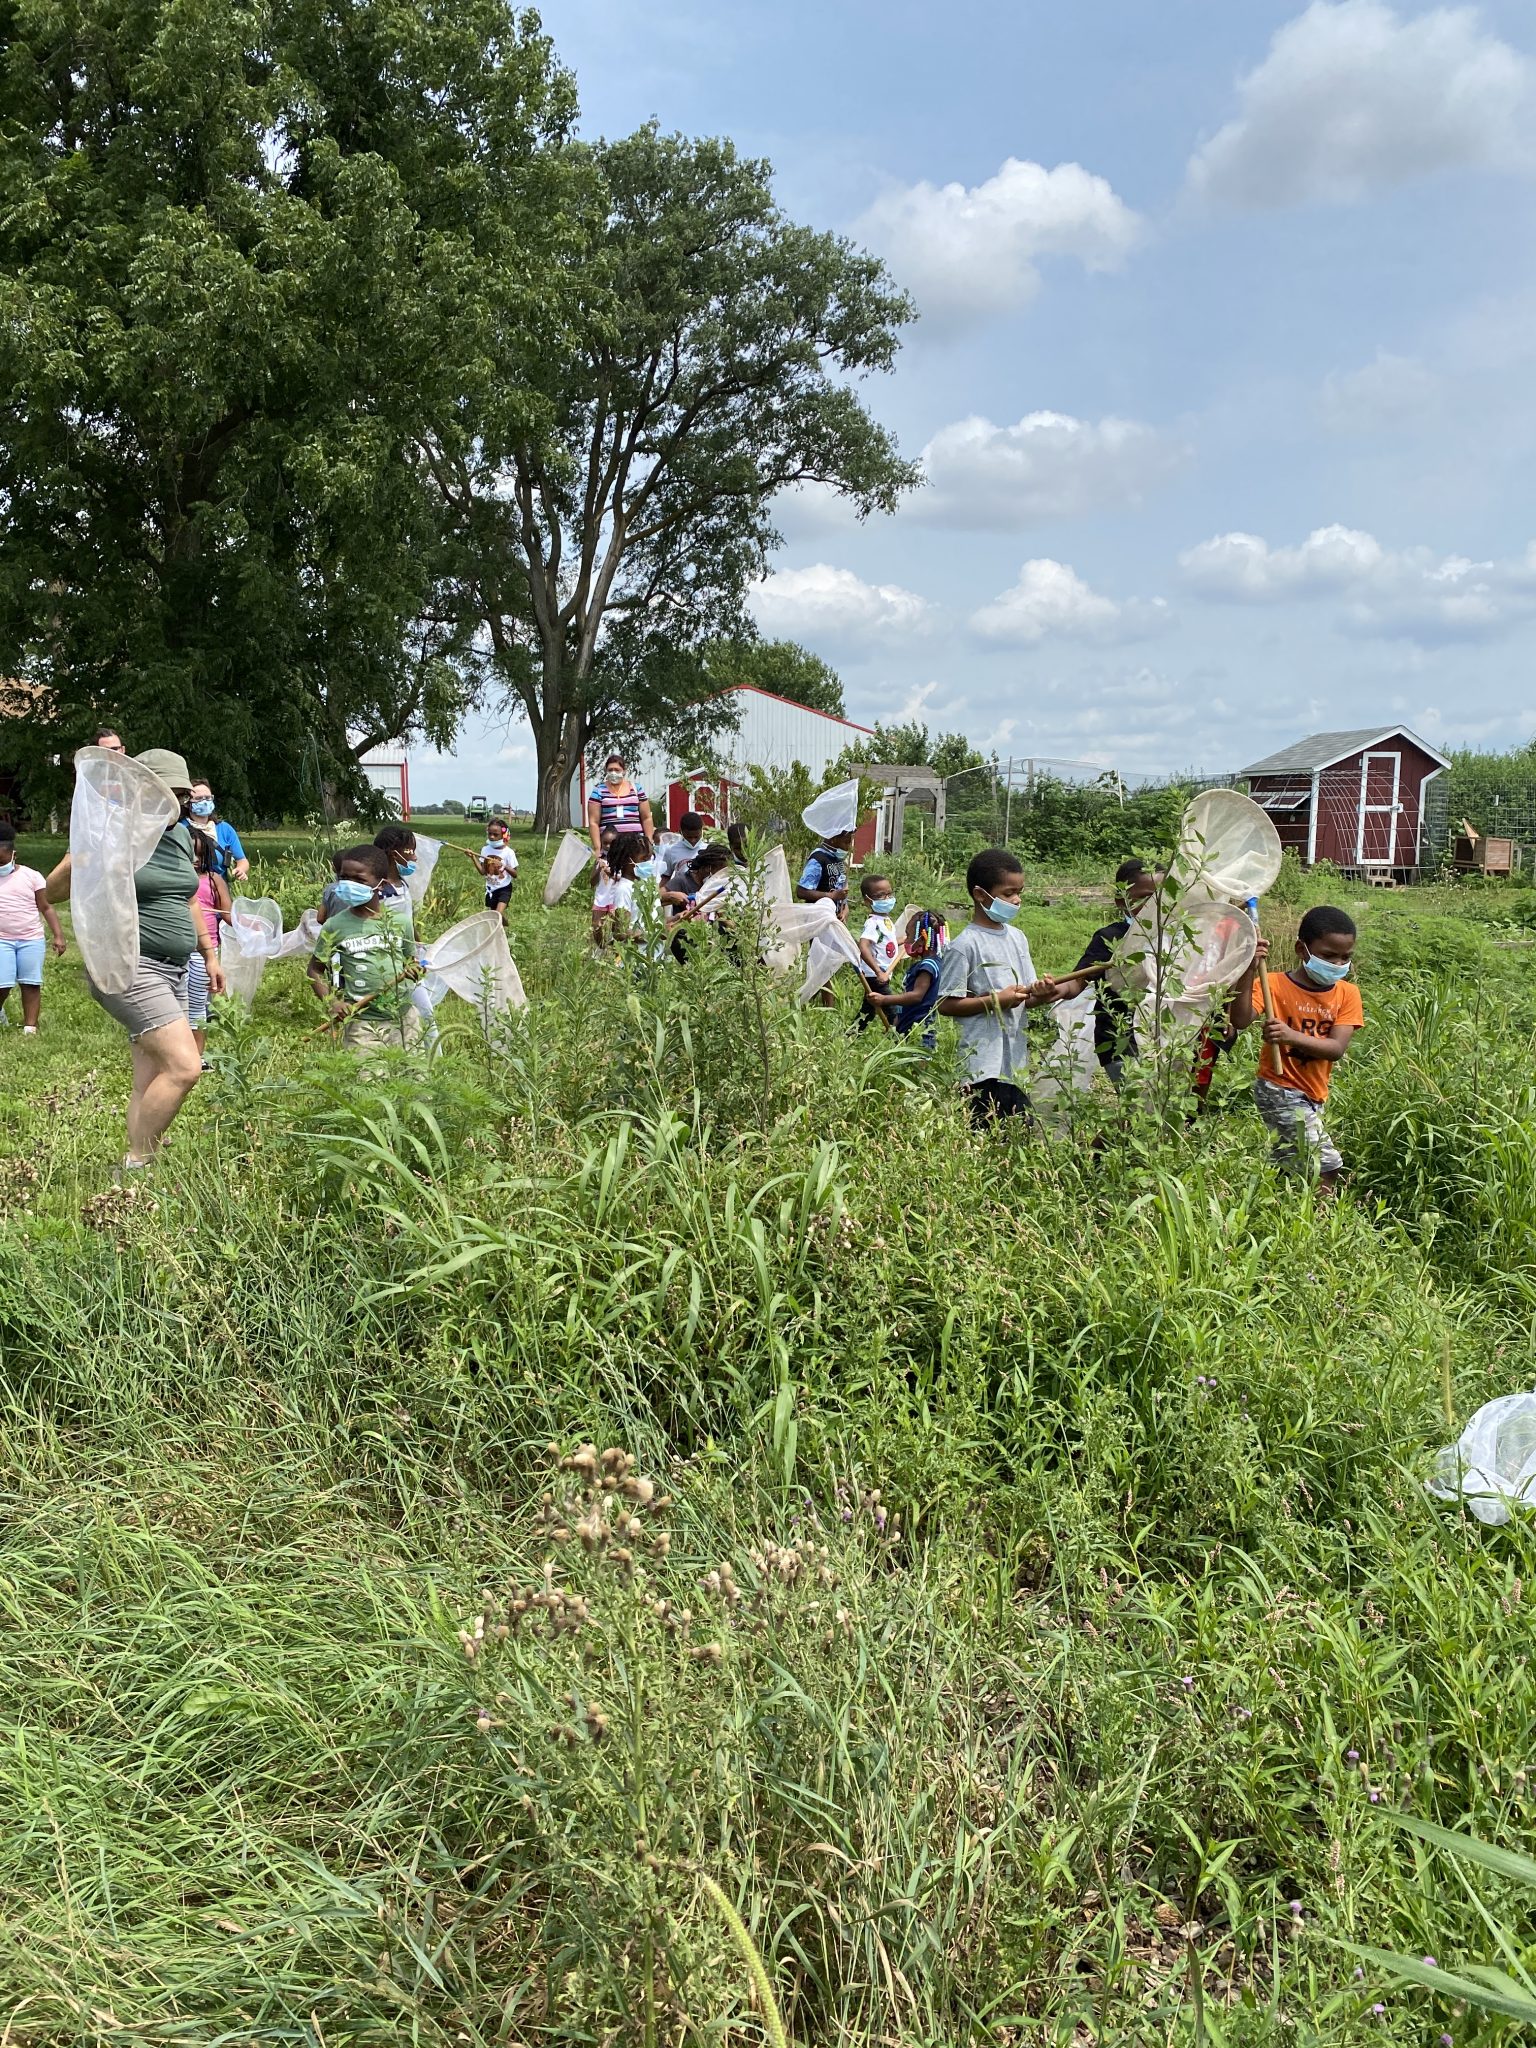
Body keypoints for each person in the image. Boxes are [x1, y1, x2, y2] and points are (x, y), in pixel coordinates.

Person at [45, 747, 225, 1170]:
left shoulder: (180, 834)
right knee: (185, 1066)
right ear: (142, 790)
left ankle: (140, 1165)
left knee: (149, 1077)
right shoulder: (111, 828)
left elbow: (188, 899)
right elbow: (51, 893)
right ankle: (138, 1160)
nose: (179, 804)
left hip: (178, 967)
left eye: (183, 795)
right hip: (131, 964)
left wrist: (210, 955)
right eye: (170, 794)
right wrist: (86, 857)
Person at [1229, 905, 1362, 1193]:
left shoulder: (1347, 994)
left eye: (1345, 957)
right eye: (1328, 955)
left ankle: (1277, 1205)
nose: (1338, 963)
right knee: (1326, 1165)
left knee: (1291, 1162)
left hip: (1314, 1093)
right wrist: (1248, 970)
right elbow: (1239, 1019)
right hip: (1279, 1088)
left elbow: (1336, 1048)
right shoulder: (1273, 984)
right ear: (1302, 950)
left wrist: (1290, 1036)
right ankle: (1321, 1222)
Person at [936, 848, 1058, 1125]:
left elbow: (1025, 996)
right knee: (982, 1133)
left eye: (1019, 893)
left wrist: (1041, 992)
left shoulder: (1017, 938)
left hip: (1013, 1061)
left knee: (1019, 1132)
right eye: (1007, 894)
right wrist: (995, 1000)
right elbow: (946, 1004)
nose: (1016, 900)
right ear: (980, 895)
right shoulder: (965, 945)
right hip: (980, 1065)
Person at [1054, 858, 1161, 1086]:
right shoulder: (1110, 938)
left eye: (1160, 896)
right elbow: (1076, 982)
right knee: (1139, 1107)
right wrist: (1051, 989)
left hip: (1164, 1039)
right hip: (1120, 1040)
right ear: (1121, 901)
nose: (1154, 905)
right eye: (1144, 897)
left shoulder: (1174, 938)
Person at [306, 845, 422, 1052]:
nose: (350, 885)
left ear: (381, 884)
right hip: (362, 1023)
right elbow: (314, 970)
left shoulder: (401, 922)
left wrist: (415, 969)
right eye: (344, 878)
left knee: (413, 1078)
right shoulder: (335, 925)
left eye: (359, 880)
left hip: (405, 1019)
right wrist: (333, 1002)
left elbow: (410, 960)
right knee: (368, 1081)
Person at [0, 823, 67, 1033]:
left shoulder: (31, 876)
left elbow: (46, 907)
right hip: (1, 940)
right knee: (2, 982)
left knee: (31, 983)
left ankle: (30, 1026)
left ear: (13, 855)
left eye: (2, 861)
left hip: (31, 939)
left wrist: (58, 935)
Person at [866, 911, 946, 1049]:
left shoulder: (928, 966)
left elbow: (916, 996)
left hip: (919, 1029)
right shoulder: (931, 963)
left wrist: (884, 1000)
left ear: (921, 939)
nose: (906, 941)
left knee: (918, 1064)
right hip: (908, 1024)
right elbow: (905, 1001)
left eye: (909, 936)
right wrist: (895, 1026)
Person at [185, 827, 231, 1062]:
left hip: (203, 953)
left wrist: (250, 924)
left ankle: (197, 1057)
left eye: (198, 855)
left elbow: (228, 914)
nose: (193, 861)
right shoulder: (175, 879)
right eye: (187, 854)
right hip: (177, 951)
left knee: (197, 1006)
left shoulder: (214, 880)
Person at [587, 754, 654, 859]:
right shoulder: (598, 790)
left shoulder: (637, 788)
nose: (613, 773)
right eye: (610, 770)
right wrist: (597, 847)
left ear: (624, 770)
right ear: (606, 770)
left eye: (617, 770)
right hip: (610, 845)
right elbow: (593, 822)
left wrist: (649, 842)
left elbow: (646, 817)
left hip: (636, 843)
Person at [855, 872, 899, 1028]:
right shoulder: (873, 923)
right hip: (875, 976)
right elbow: (863, 946)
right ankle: (899, 1039)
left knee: (868, 1010)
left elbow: (888, 942)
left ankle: (851, 1035)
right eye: (881, 896)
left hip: (883, 974)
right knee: (893, 1010)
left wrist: (906, 941)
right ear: (868, 900)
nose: (887, 899)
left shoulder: (886, 920)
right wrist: (878, 971)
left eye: (889, 894)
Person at [186, 779, 249, 882]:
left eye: (207, 798)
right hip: (189, 887)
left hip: (219, 887)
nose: (204, 802)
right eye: (198, 799)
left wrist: (240, 870)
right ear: (187, 802)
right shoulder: (180, 829)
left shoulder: (225, 829)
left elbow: (242, 860)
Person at [592, 831, 648, 946]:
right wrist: (652, 934)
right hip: (638, 958)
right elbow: (621, 932)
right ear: (628, 861)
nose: (648, 863)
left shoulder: (644, 884)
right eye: (644, 859)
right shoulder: (624, 889)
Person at [464, 817, 518, 923]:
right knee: (495, 916)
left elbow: (515, 874)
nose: (492, 837)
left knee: (496, 915)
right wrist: (472, 857)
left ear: (504, 835)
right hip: (491, 889)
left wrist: (503, 865)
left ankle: (498, 933)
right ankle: (504, 924)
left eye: (496, 834)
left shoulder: (508, 852)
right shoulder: (485, 850)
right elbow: (483, 872)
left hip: (504, 888)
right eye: (490, 834)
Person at [796, 827, 853, 920]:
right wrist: (831, 896)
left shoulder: (838, 860)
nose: (849, 847)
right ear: (833, 839)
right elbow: (801, 892)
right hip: (817, 919)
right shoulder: (818, 859)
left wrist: (844, 910)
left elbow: (841, 891)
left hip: (833, 919)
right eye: (846, 842)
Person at [660, 813, 706, 884]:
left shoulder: (708, 850)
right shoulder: (671, 850)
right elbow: (665, 877)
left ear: (702, 831)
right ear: (681, 832)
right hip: (680, 892)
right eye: (689, 837)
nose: (693, 841)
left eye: (696, 837)